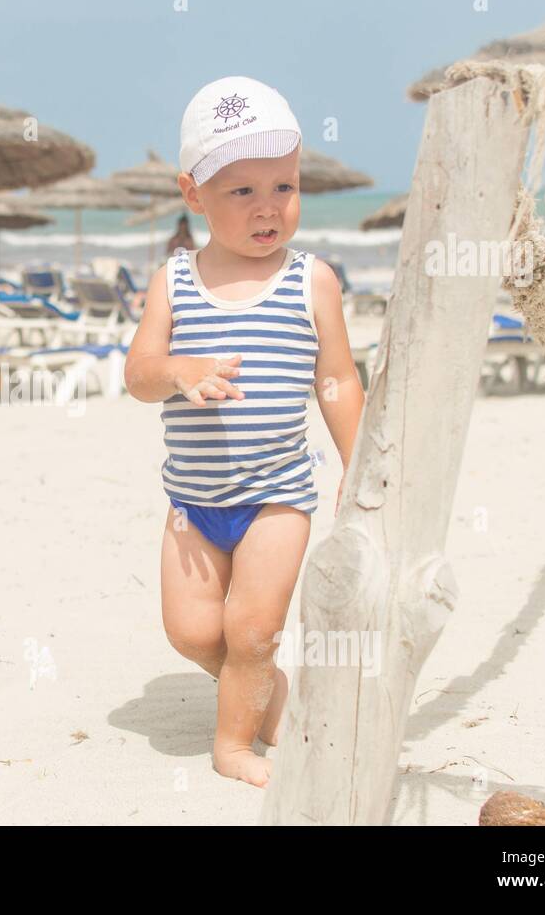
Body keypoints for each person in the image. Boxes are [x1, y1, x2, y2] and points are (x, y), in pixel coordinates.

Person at [123, 77, 365, 788]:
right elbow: (137, 374)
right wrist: (176, 371)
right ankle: (263, 687)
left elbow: (338, 380)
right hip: (193, 505)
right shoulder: (173, 280)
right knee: (194, 633)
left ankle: (233, 745)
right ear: (193, 194)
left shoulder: (310, 279)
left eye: (284, 187)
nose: (269, 208)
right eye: (242, 192)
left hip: (277, 497)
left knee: (252, 631)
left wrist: (361, 461)